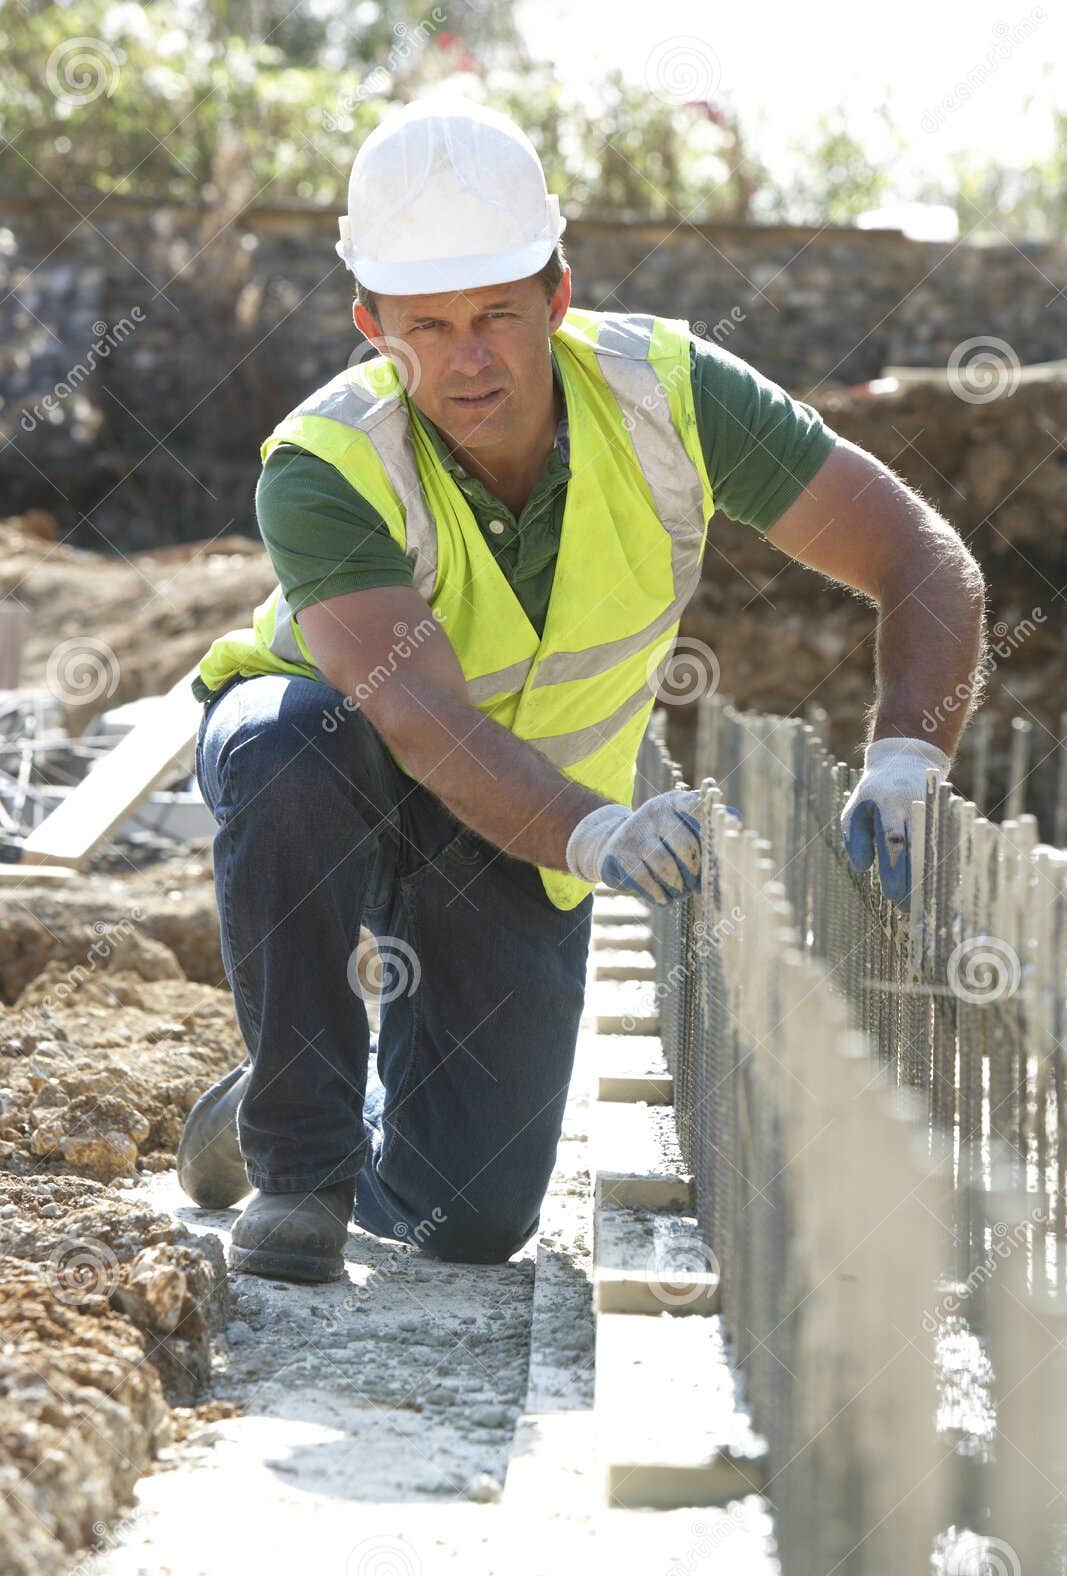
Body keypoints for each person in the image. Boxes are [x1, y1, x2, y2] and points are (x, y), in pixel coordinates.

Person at [182, 94, 985, 1284]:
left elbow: (918, 554)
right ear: (370, 325)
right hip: (347, 764)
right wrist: (599, 830)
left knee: (471, 1219)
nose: (466, 360)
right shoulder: (325, 463)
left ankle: (277, 1101)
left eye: (496, 316)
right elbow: (421, 716)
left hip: (518, 828)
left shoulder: (669, 395)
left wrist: (909, 751)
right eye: (427, 325)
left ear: (556, 295)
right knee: (289, 745)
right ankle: (297, 1163)